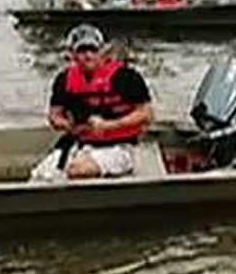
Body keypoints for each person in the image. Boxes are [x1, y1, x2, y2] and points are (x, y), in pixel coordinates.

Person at [31, 24, 154, 181]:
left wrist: (108, 125)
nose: (88, 55)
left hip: (119, 146)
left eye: (93, 50)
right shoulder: (64, 80)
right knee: (40, 176)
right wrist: (69, 126)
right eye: (82, 51)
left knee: (77, 170)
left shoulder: (126, 77)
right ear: (72, 54)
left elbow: (146, 114)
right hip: (79, 144)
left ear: (102, 52)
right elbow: (54, 116)